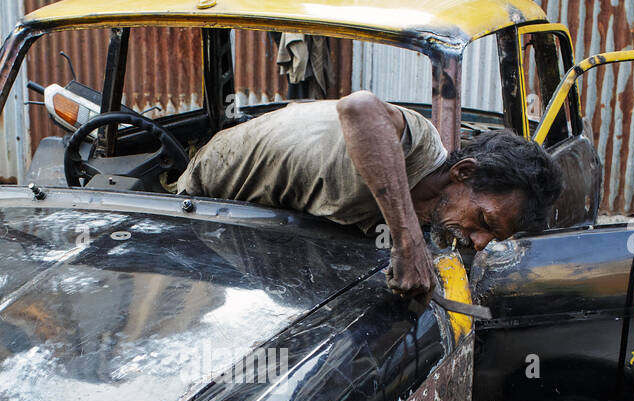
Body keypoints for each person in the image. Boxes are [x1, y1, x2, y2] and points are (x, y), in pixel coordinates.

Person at [177, 90, 562, 301]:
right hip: (195, 204)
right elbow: (359, 107)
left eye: (492, 239)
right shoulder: (419, 143)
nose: (479, 243)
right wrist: (408, 241)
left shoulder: (427, 212)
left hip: (248, 232)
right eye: (484, 222)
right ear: (463, 173)